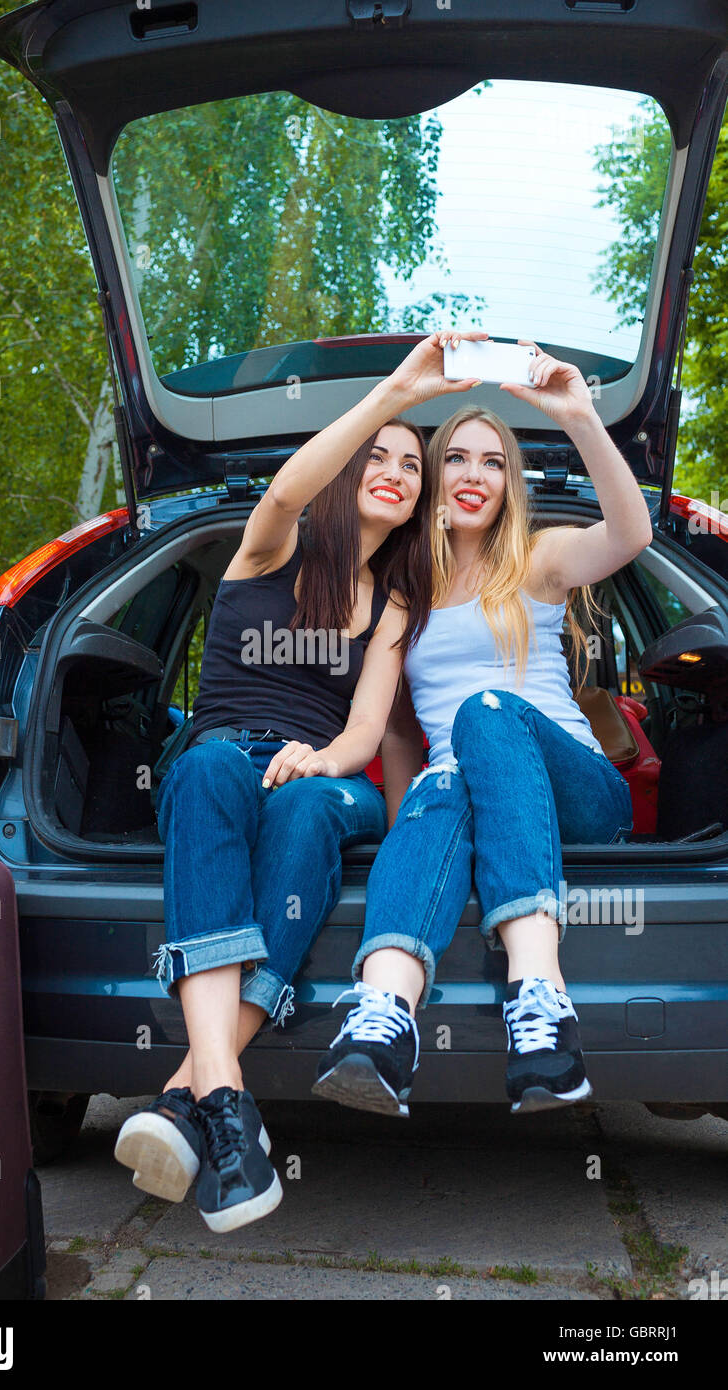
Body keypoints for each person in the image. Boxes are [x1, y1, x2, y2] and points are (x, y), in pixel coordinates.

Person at [114, 329, 488, 1230]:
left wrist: (319, 758)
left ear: (418, 504)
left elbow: (365, 732)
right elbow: (288, 483)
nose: (397, 470)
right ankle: (222, 1111)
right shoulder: (269, 545)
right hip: (228, 756)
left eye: (413, 467)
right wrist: (398, 396)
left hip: (329, 776)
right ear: (349, 467)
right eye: (381, 457)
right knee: (203, 769)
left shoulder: (396, 601)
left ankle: (192, 1095)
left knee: (312, 802)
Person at [313, 335, 652, 1118]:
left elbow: (630, 533)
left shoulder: (536, 561)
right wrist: (414, 834)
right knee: (443, 772)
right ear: (434, 481)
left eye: (494, 461)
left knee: (480, 714)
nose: (474, 474)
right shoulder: (406, 597)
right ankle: (383, 1022)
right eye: (458, 458)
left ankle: (540, 995)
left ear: (510, 484)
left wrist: (577, 417)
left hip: (579, 794)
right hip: (464, 791)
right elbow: (393, 736)